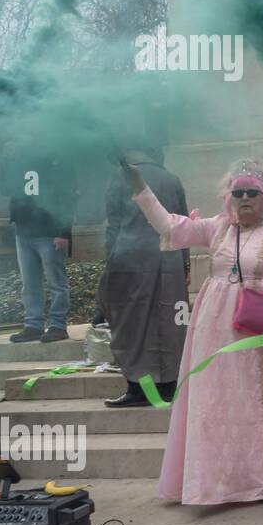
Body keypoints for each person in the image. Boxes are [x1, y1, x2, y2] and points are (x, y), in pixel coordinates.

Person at [127, 158, 263, 505]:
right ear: (228, 197)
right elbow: (170, 227)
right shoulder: (216, 228)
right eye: (238, 193)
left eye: (253, 192)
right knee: (220, 402)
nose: (245, 199)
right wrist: (140, 189)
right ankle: (224, 482)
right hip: (216, 331)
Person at [99, 147, 189, 407]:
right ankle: (169, 386)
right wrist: (185, 264)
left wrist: (109, 262)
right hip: (170, 258)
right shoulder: (172, 179)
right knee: (170, 324)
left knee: (132, 325)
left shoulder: (121, 176)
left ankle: (138, 389)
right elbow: (183, 222)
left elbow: (114, 224)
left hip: (132, 260)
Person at [2, 145, 77, 344]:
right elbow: (5, 188)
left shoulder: (58, 161)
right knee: (30, 283)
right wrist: (7, 160)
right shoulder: (19, 161)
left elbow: (68, 198)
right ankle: (33, 325)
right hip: (24, 231)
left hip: (49, 232)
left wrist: (63, 232)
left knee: (56, 283)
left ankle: (58, 325)